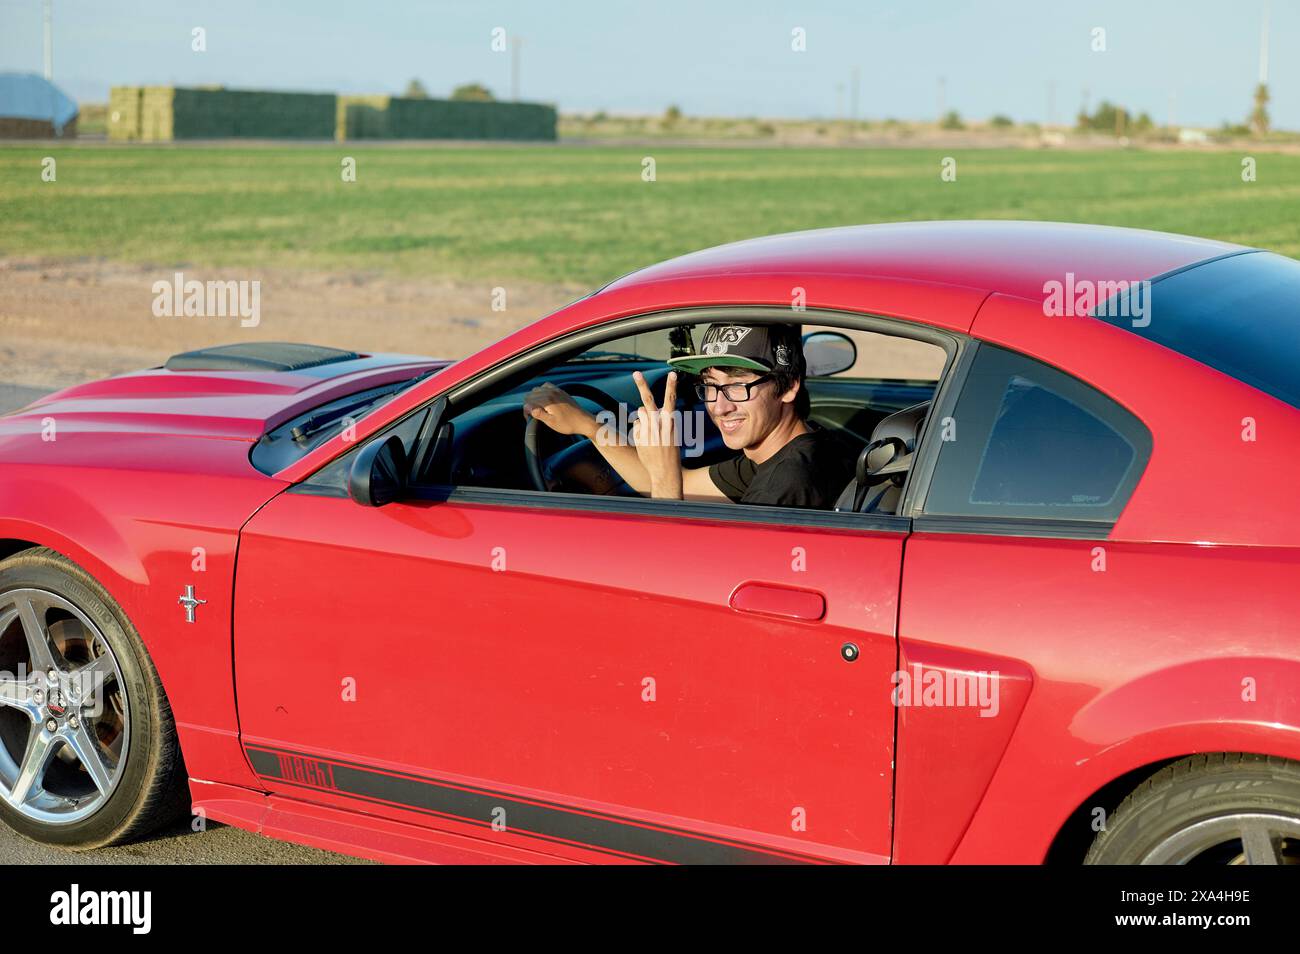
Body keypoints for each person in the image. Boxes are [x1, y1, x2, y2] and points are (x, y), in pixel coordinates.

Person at [523, 322, 855, 509]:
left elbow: (696, 580)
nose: (720, 407)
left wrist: (665, 478)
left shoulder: (787, 485)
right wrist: (590, 428)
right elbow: (683, 484)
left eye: (738, 386)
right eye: (711, 386)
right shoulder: (790, 450)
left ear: (789, 388)